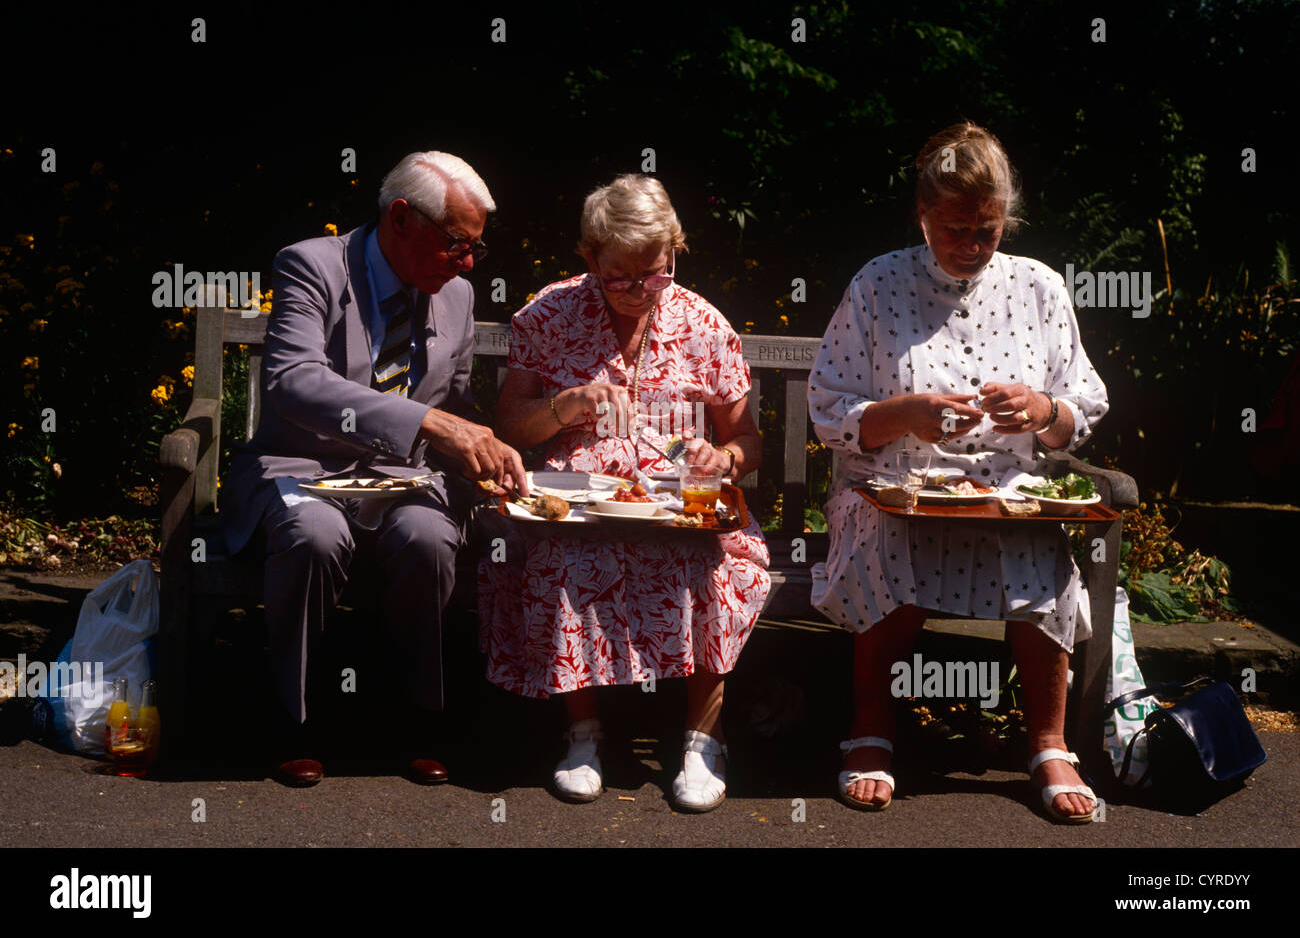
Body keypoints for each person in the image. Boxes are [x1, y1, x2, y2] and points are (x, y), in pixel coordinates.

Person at [808, 123, 1110, 822]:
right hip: (894, 483)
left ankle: (1048, 742)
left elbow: (1083, 406)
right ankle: (872, 731)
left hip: (1007, 492)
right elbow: (828, 408)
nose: (971, 246)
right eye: (954, 229)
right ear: (923, 215)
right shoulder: (879, 283)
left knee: (1042, 549)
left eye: (987, 229)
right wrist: (902, 413)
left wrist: (1039, 409)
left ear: (1008, 218)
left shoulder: (1038, 287)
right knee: (891, 538)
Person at [223, 151, 527, 788]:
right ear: (400, 218)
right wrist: (423, 421)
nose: (468, 263)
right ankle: (294, 721)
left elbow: (455, 404)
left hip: (402, 476)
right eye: (456, 244)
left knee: (430, 538)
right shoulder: (312, 265)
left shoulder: (458, 295)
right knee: (314, 536)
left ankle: (415, 717)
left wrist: (483, 449)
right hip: (301, 463)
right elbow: (294, 381)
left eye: (476, 248)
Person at [478, 174, 770, 812]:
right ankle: (582, 734)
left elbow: (747, 440)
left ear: (675, 254)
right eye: (622, 277)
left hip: (677, 503)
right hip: (575, 503)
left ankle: (702, 739)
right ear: (589, 258)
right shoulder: (550, 312)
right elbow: (509, 426)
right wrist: (565, 404)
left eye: (657, 273)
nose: (641, 291)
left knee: (712, 562)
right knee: (562, 560)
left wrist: (721, 458)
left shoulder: (705, 324)